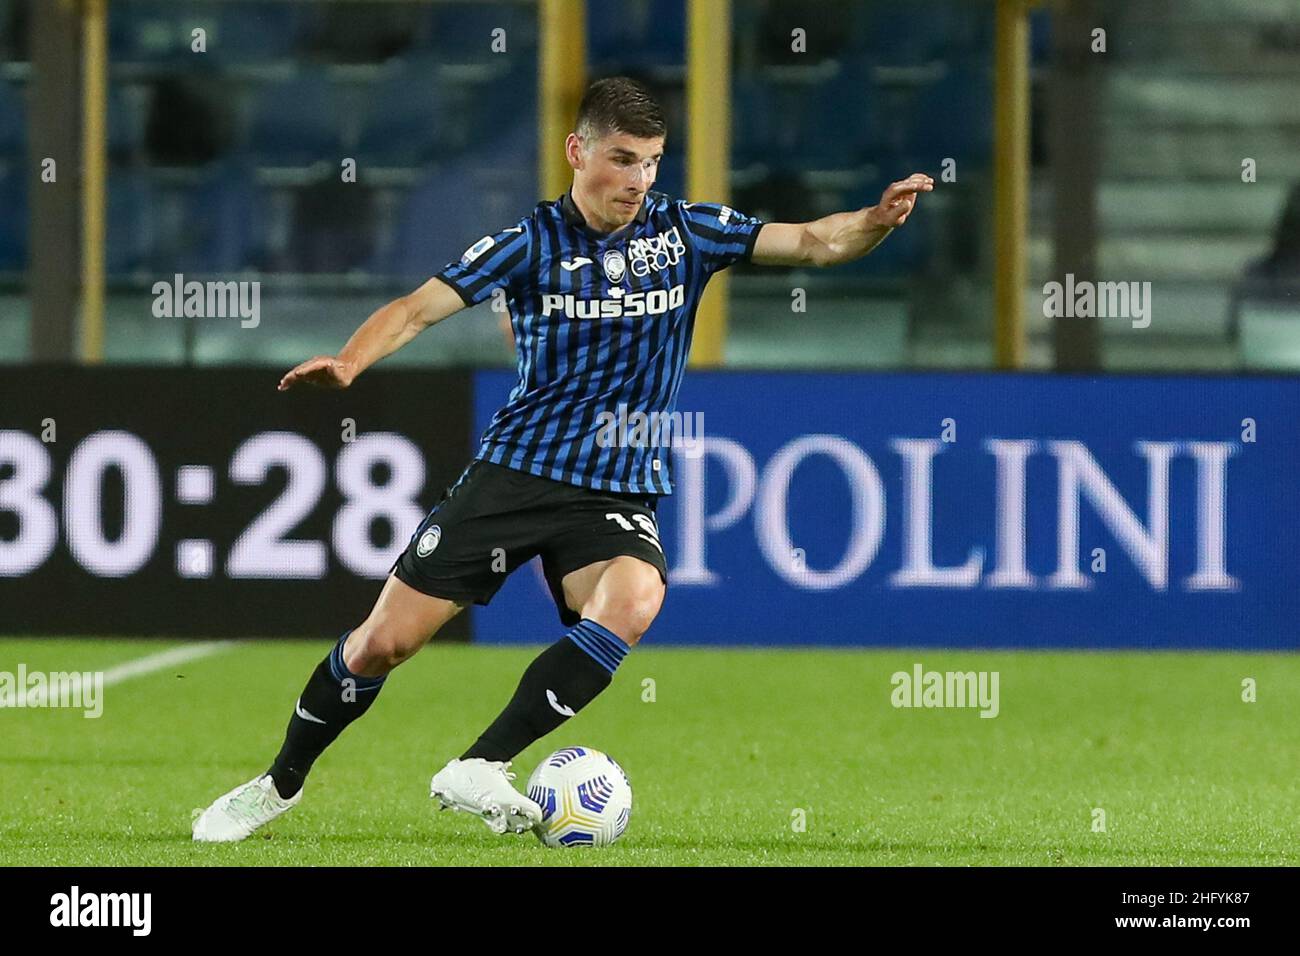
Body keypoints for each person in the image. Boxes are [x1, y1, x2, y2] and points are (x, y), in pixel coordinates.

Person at [192, 76, 932, 842]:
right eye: (622, 159)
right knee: (384, 643)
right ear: (578, 152)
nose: (639, 180)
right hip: (517, 472)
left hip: (616, 488)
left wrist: (875, 220)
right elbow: (418, 308)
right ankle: (277, 785)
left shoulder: (689, 232)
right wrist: (350, 362)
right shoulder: (529, 242)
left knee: (635, 599)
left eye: (651, 161)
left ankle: (480, 765)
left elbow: (815, 240)